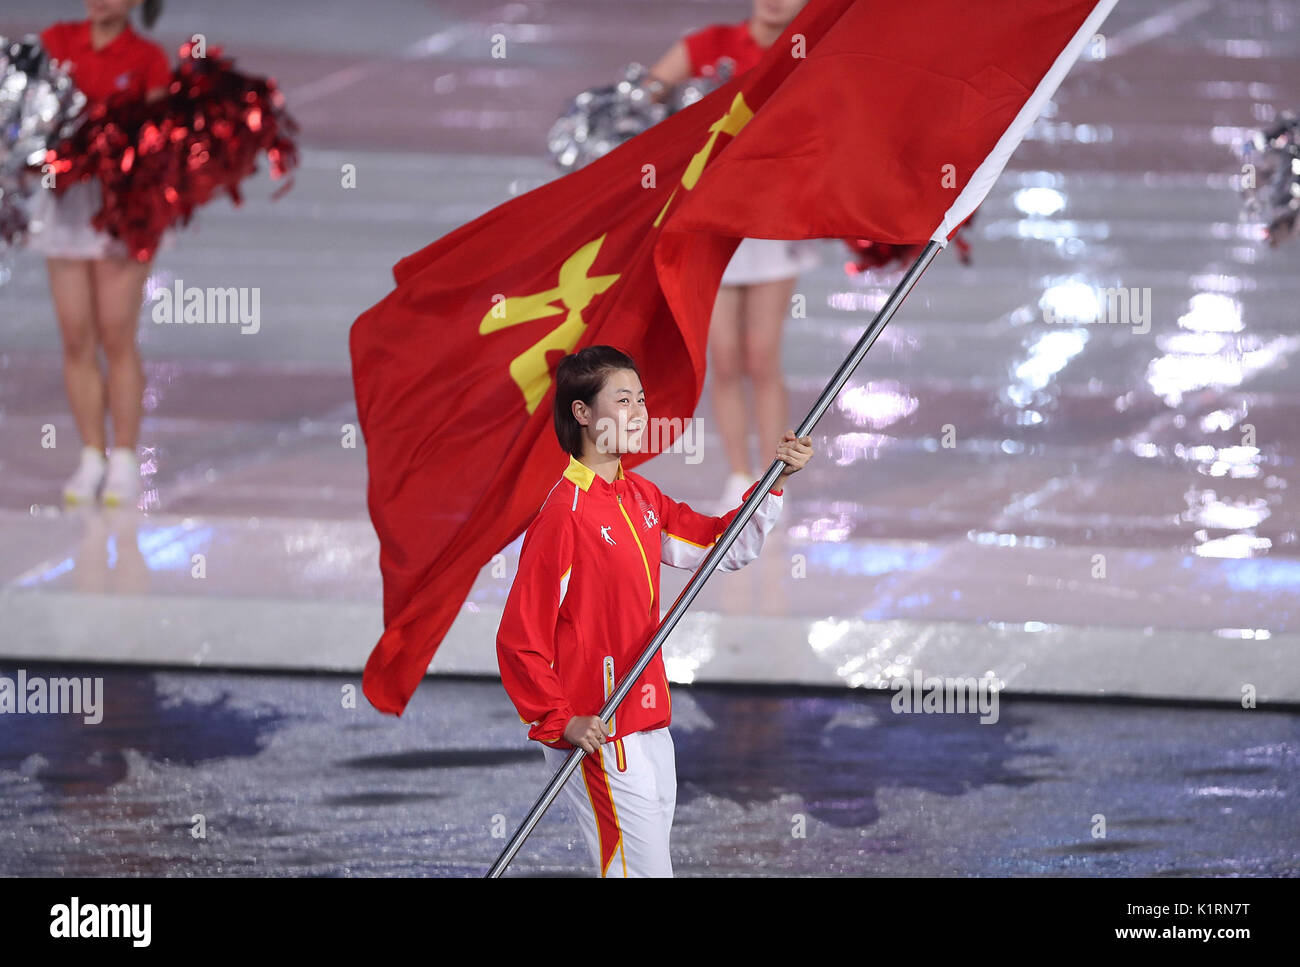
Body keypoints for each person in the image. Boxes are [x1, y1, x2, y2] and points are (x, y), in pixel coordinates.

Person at [495, 345, 813, 877]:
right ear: (582, 413)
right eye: (623, 401)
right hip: (598, 732)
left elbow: (720, 547)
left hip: (648, 725)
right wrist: (561, 721)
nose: (640, 412)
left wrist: (772, 483)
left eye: (641, 399)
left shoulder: (640, 497)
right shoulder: (562, 516)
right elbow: (519, 639)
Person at [645, 0, 818, 511]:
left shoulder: (813, 51)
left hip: (773, 224)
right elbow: (640, 100)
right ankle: (739, 475)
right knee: (724, 360)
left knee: (762, 357)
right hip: (710, 225)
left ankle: (772, 486)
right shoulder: (708, 46)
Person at [30, 0, 169, 506]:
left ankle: (126, 460)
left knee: (116, 334)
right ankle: (91, 456)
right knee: (75, 335)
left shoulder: (149, 57)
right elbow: (27, 116)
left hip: (123, 210)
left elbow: (158, 140)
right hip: (66, 205)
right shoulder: (55, 42)